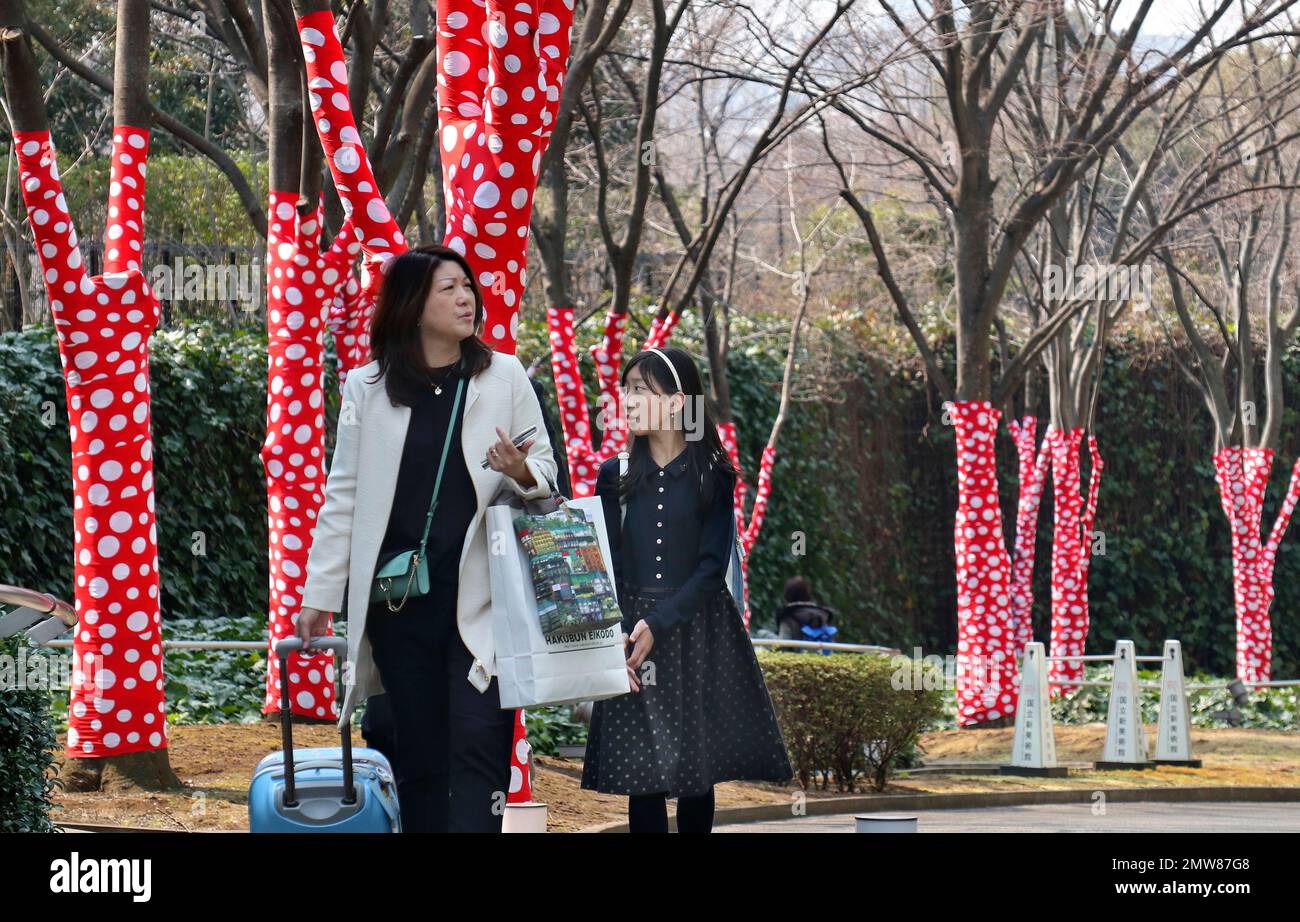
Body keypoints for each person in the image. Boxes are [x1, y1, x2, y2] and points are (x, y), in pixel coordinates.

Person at [296, 243, 558, 833]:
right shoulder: (369, 386)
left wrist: (519, 469)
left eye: (469, 287)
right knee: (413, 757)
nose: (467, 298)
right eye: (450, 288)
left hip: (481, 601)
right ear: (414, 305)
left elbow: (546, 475)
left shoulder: (505, 376)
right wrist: (320, 594)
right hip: (399, 602)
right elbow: (345, 493)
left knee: (478, 745)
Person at [580, 345, 793, 832]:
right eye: (625, 388)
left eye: (640, 389)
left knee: (698, 776)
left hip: (698, 631)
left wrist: (659, 622)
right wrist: (617, 637)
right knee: (644, 778)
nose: (626, 400)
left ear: (678, 402)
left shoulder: (713, 476)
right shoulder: (614, 475)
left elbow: (710, 568)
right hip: (630, 634)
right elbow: (603, 564)